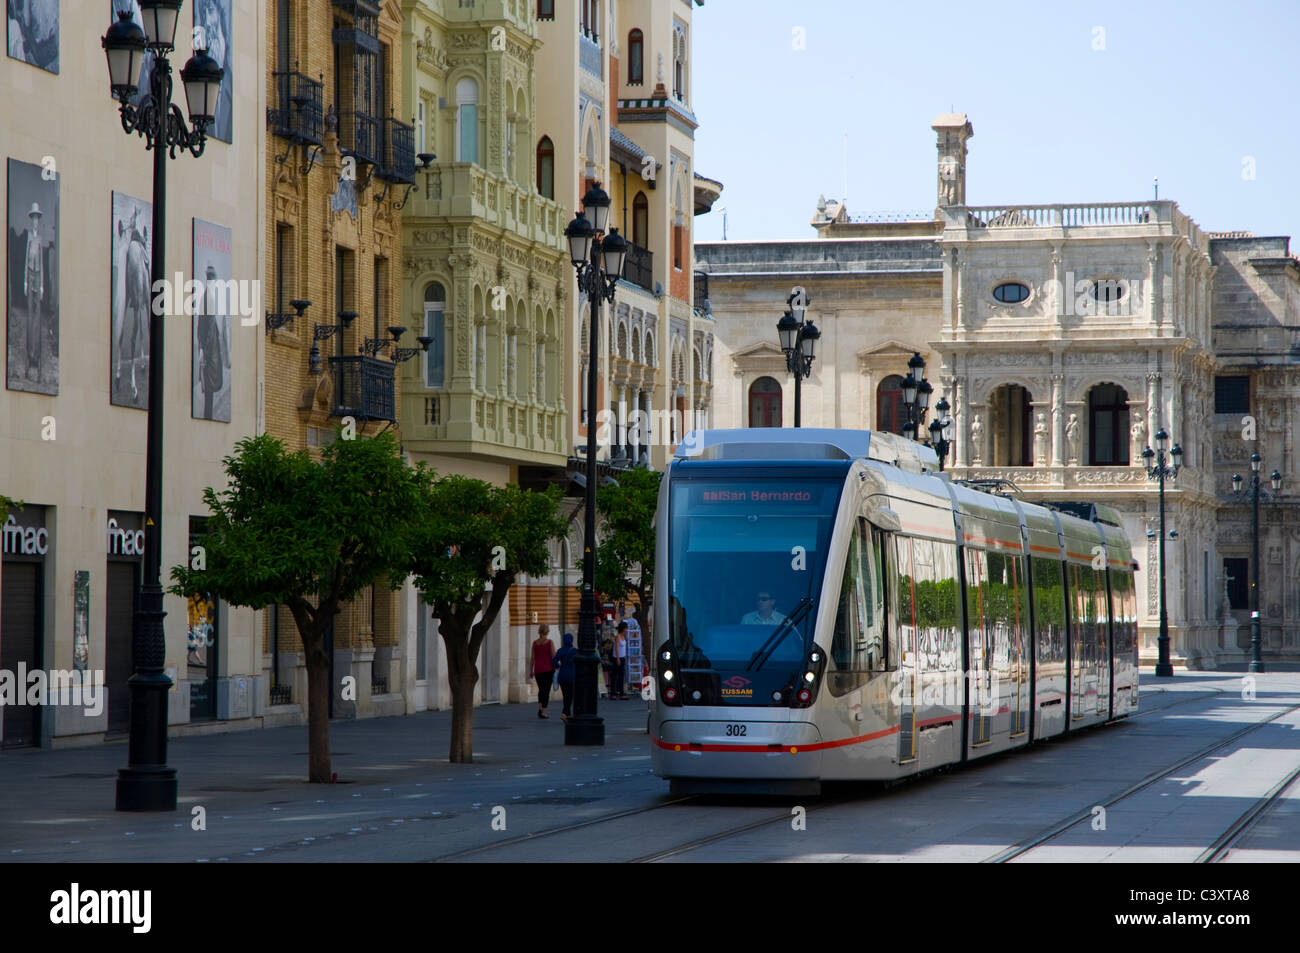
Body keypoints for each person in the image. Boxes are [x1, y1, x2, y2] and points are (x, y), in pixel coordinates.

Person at [23, 203, 43, 382]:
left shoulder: (40, 238)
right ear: (31, 220)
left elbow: (42, 264)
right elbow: (25, 262)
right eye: (34, 218)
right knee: (29, 316)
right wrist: (25, 281)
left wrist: (42, 284)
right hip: (30, 276)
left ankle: (36, 357)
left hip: (38, 278)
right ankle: (29, 357)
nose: (35, 221)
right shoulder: (29, 237)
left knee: (37, 318)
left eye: (38, 218)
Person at [526, 624, 555, 718]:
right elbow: (553, 656)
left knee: (541, 690)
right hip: (548, 669)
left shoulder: (535, 643)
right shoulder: (550, 642)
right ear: (547, 632)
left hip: (538, 670)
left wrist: (531, 670)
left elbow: (532, 658)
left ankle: (540, 708)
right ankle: (543, 711)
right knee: (546, 691)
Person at [553, 632, 578, 720]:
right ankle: (564, 713)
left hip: (562, 676)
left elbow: (554, 662)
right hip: (571, 676)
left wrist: (558, 666)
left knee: (566, 695)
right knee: (570, 696)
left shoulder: (560, 650)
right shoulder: (575, 651)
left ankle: (567, 714)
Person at [610, 622, 629, 699]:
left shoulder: (624, 637)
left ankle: (621, 693)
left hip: (622, 657)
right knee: (615, 675)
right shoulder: (618, 637)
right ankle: (613, 693)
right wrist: (618, 659)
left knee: (621, 676)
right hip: (617, 658)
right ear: (623, 628)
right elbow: (616, 648)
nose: (627, 630)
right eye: (626, 628)